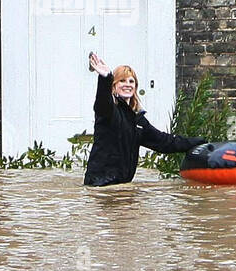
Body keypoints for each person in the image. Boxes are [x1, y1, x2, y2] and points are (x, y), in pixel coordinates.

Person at [83, 52, 205, 187]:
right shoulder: (109, 112)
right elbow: (102, 103)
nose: (127, 85)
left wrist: (197, 142)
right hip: (100, 184)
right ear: (114, 86)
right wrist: (105, 78)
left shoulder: (137, 120)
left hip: (122, 187)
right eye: (122, 81)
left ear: (135, 86)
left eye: (131, 81)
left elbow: (164, 142)